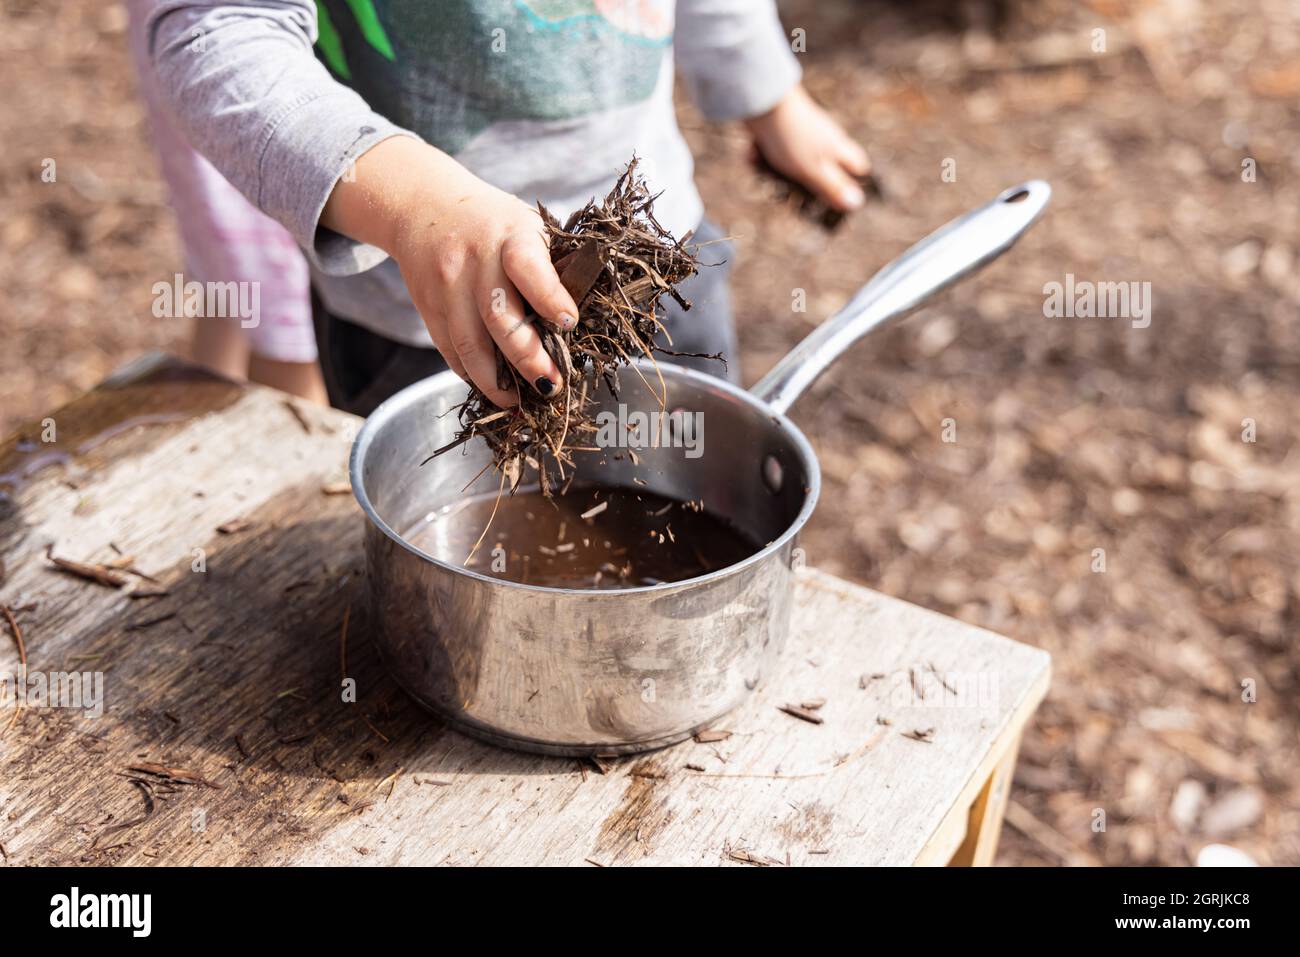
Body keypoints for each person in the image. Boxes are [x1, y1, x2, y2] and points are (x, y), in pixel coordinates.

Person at [142, 0, 869, 415]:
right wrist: (416, 202)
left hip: (662, 268)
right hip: (425, 322)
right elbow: (218, 31)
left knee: (683, 516)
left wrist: (769, 97)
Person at [127, 0, 326, 404]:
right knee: (275, 307)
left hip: (198, 41)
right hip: (234, 49)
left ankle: (204, 412)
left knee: (229, 275)